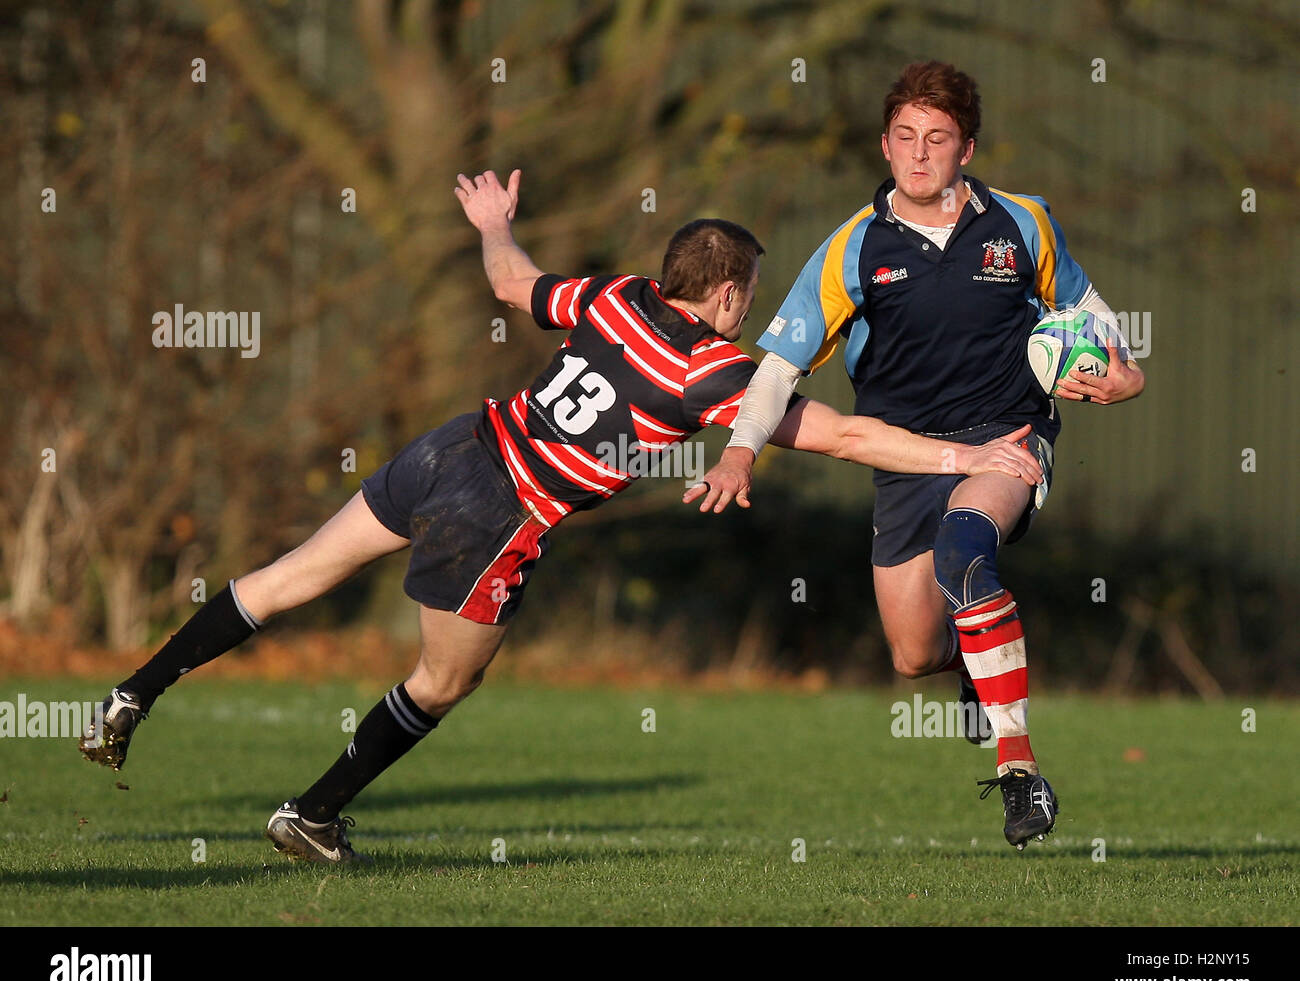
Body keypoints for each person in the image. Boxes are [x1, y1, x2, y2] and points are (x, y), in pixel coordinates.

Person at [80, 168, 1045, 864]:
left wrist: (494, 220)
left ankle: (135, 690)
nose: (752, 310)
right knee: (440, 682)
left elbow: (510, 282)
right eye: (748, 293)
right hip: (499, 511)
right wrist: (969, 454)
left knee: (292, 575)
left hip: (450, 446)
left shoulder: (616, 298)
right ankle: (315, 810)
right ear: (726, 294)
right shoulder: (716, 370)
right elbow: (844, 437)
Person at [694, 62, 1145, 850]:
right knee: (912, 655)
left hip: (1006, 438)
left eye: (937, 138)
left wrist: (1126, 375)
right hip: (906, 456)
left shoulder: (1024, 224)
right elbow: (775, 372)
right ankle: (976, 662)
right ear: (884, 144)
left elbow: (1097, 322)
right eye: (904, 137)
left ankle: (1018, 769)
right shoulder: (851, 249)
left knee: (967, 553)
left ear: (967, 147)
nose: (918, 154)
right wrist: (739, 455)